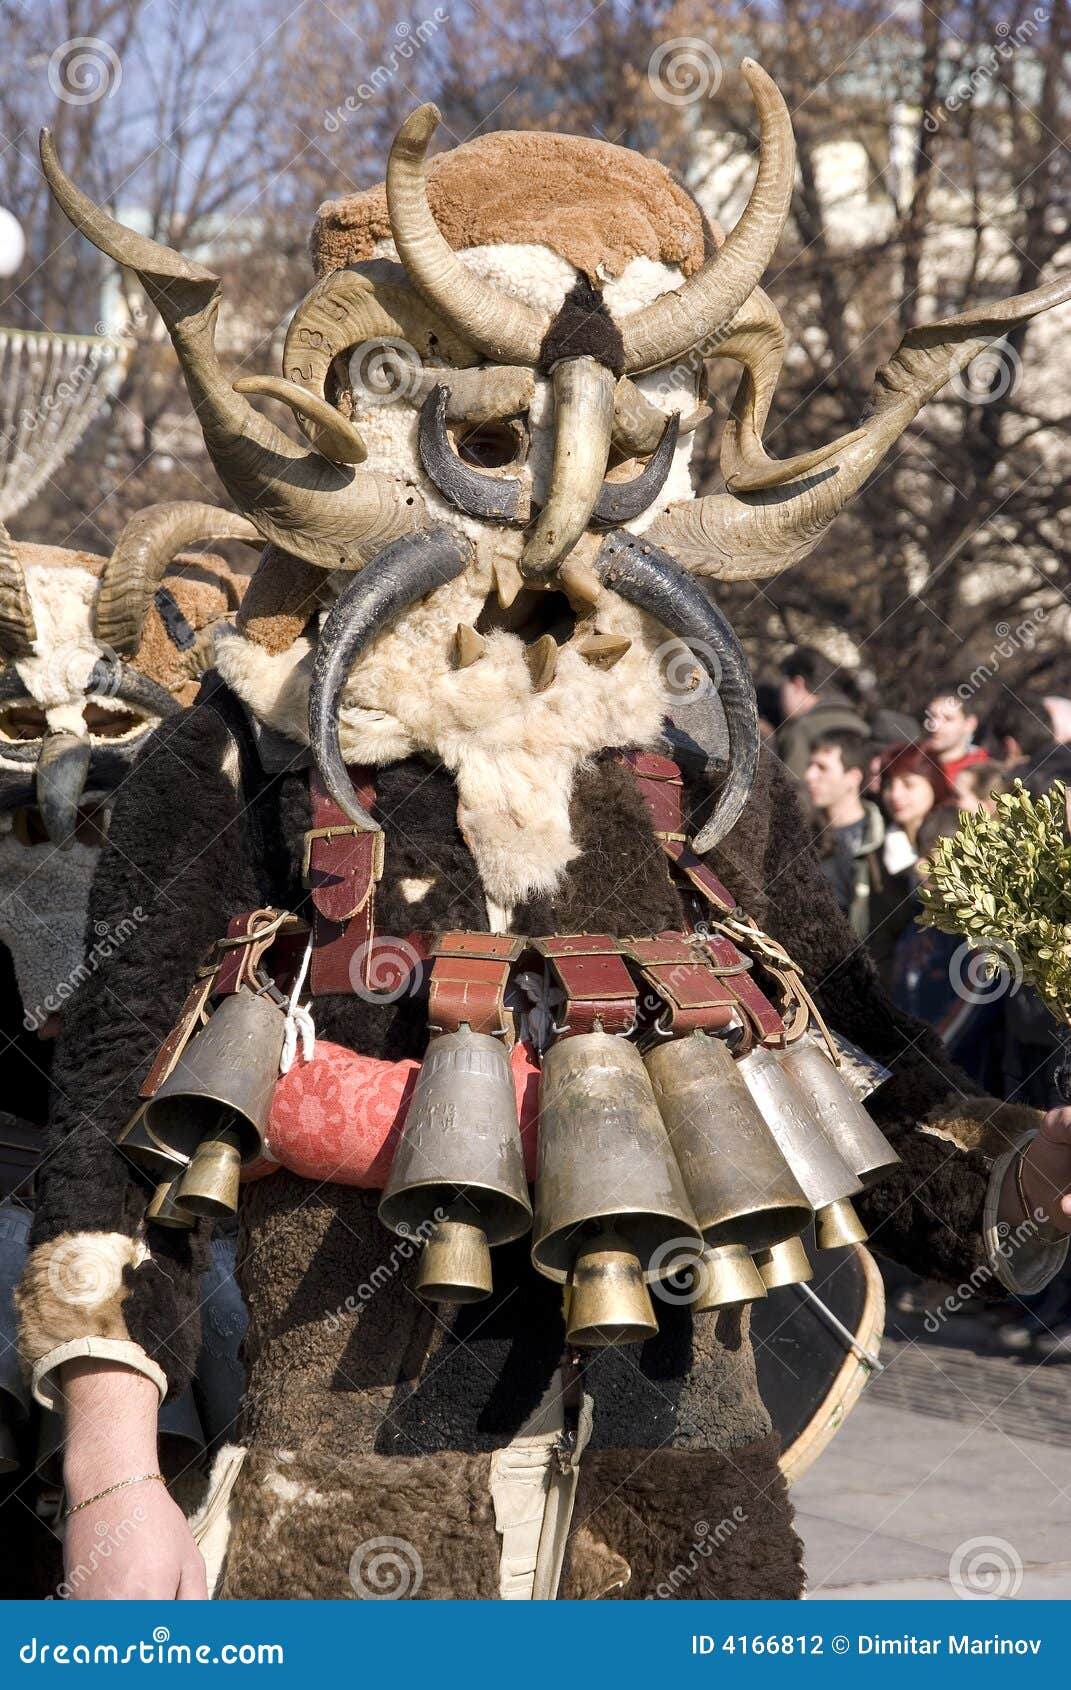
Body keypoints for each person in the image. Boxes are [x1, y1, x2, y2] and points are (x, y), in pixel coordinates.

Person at [17, 80, 1071, 1605]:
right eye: (500, 424)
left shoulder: (697, 747)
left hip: (678, 1491)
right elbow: (111, 1129)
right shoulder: (260, 737)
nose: (562, 496)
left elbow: (847, 1049)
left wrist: (1021, 1167)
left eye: (626, 433)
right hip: (350, 1468)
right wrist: (114, 1476)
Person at [866, 744, 956, 984]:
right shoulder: (878, 855)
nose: (895, 795)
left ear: (934, 782)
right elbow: (880, 938)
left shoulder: (958, 839)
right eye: (889, 785)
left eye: (908, 784)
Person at [803, 730, 883, 933]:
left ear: (853, 777)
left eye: (822, 768)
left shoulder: (880, 842)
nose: (809, 776)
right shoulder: (802, 835)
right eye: (810, 765)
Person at [775, 647, 868, 780]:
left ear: (797, 684)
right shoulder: (861, 724)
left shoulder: (802, 730)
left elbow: (793, 791)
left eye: (782, 689)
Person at [987, 692, 1071, 796]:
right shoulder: (1056, 770)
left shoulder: (1019, 787)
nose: (990, 754)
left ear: (1010, 745)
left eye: (994, 748)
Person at [923, 684, 990, 786]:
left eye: (948, 718)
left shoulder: (983, 775)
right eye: (931, 716)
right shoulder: (909, 759)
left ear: (969, 724)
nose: (934, 725)